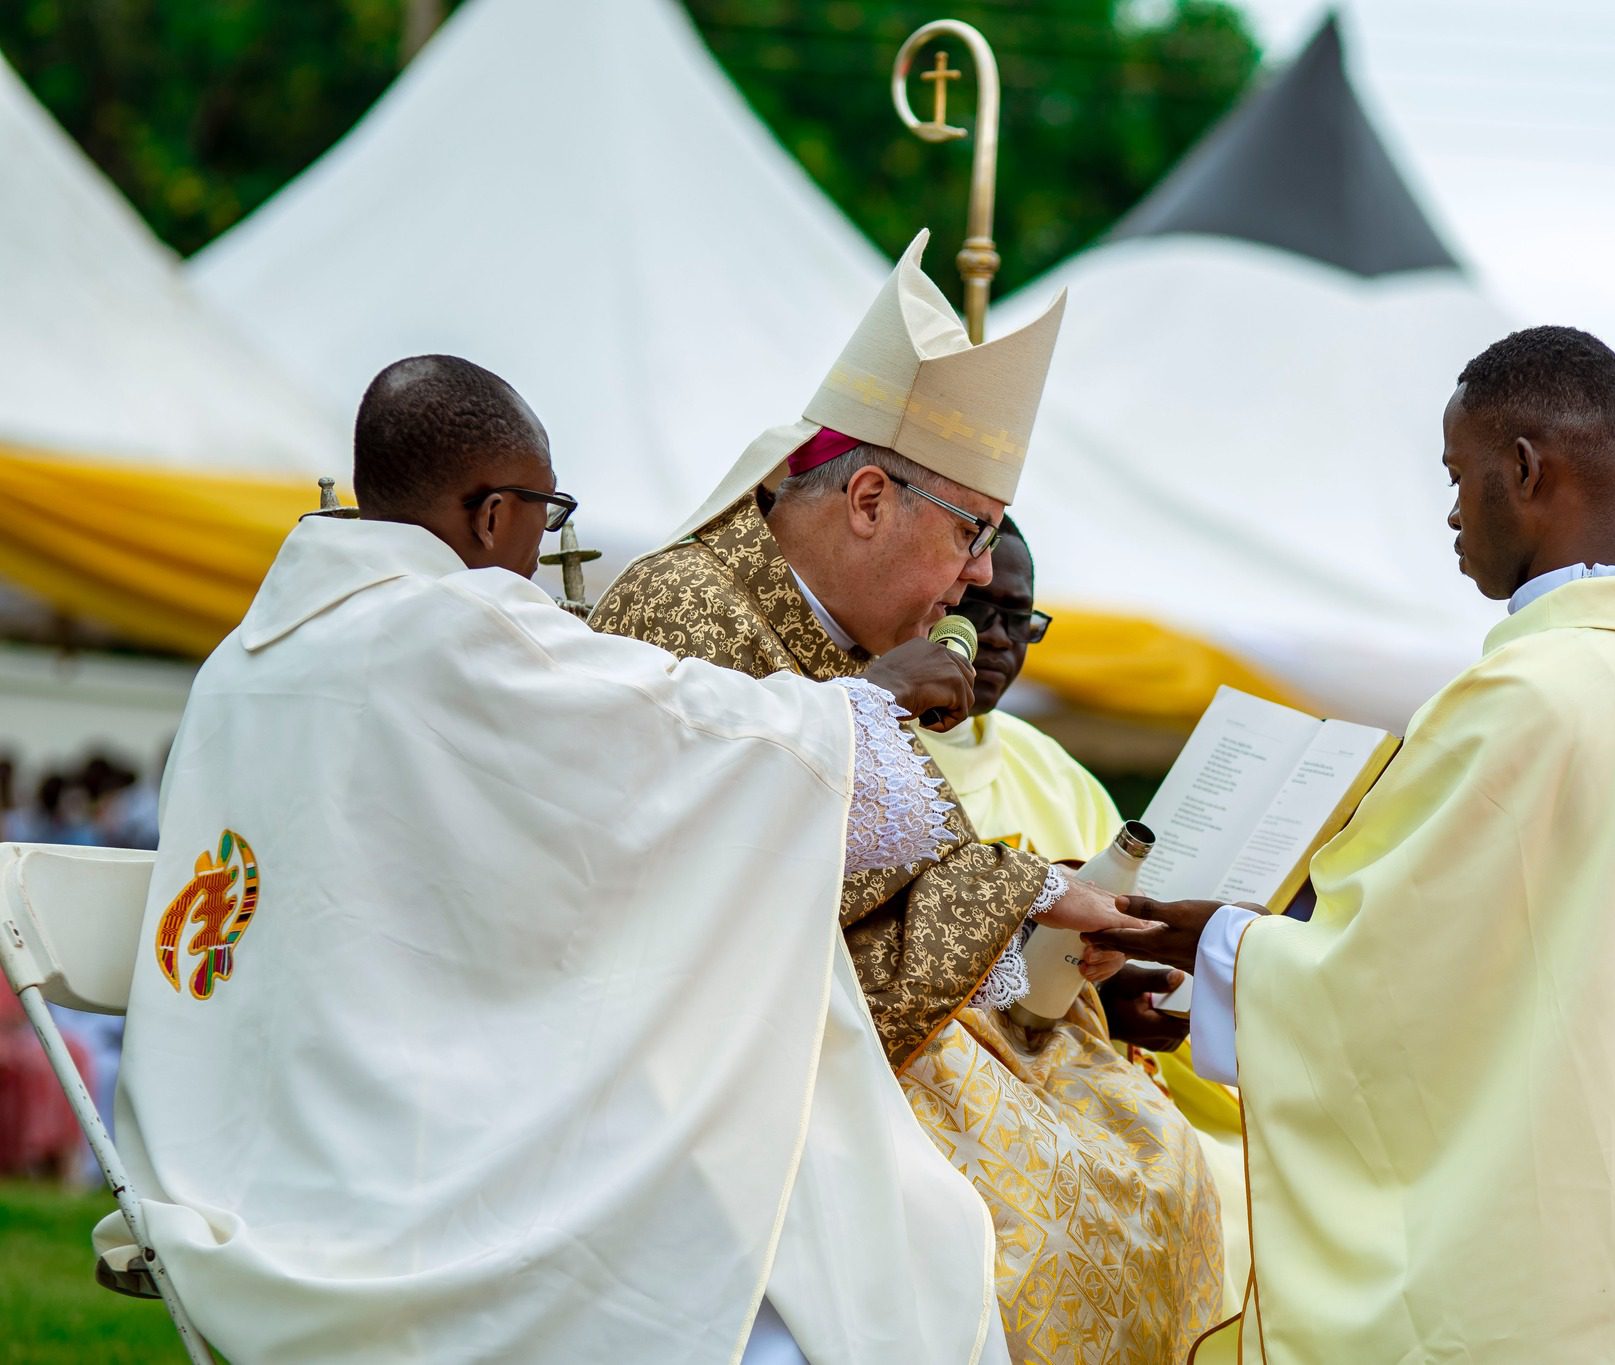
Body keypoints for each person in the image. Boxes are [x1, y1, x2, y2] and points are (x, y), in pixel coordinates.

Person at [108, 355, 1017, 1364]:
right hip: (417, 1164)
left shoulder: (240, 668)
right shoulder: (455, 628)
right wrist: (860, 703)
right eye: (547, 509)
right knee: (828, 1245)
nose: (546, 547)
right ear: (494, 510)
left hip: (242, 1153)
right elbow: (671, 731)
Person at [1094, 327, 1615, 1363]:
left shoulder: (1528, 698)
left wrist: (1219, 951)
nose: (1449, 510)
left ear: (1522, 469)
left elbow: (1386, 984)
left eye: (1458, 474)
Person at [591, 235, 1215, 1362]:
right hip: (715, 1087)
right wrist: (873, 730)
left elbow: (883, 883)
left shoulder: (855, 638)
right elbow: (722, 904)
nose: (982, 575)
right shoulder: (686, 611)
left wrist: (1042, 915)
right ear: (868, 497)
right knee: (1018, 1233)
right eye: (971, 529)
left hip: (836, 1046)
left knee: (1147, 1162)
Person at [915, 517, 1233, 1350]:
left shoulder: (1055, 773)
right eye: (973, 606)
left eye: (1018, 619)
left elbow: (1111, 964)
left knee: (1215, 1189)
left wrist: (1136, 1002)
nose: (991, 638)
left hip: (1074, 1099)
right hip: (929, 1113)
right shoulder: (861, 741)